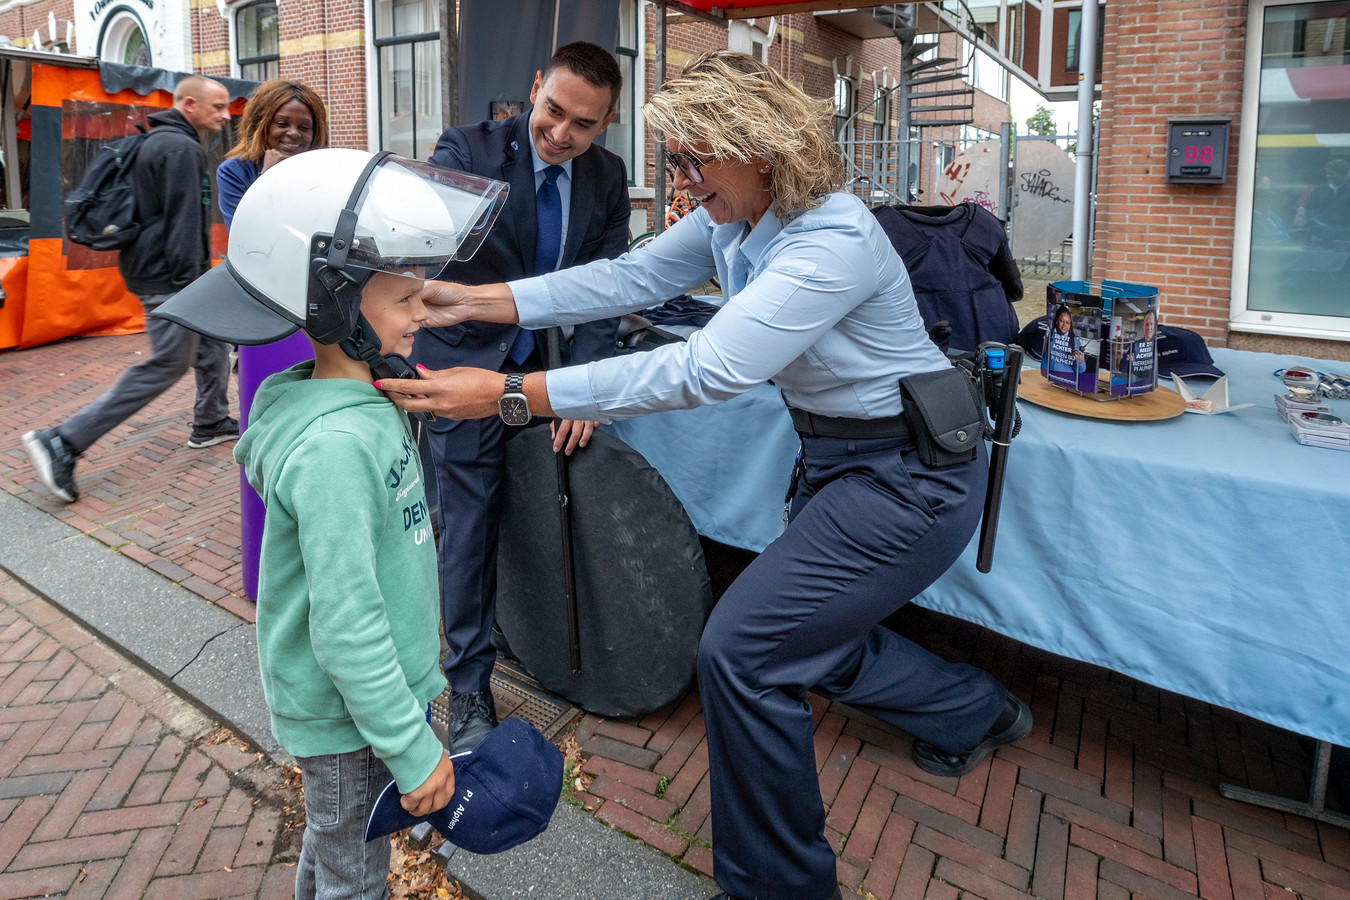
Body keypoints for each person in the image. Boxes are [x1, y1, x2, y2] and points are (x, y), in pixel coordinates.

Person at [379, 51, 1031, 900]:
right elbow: (627, 278)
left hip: (909, 477)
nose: (681, 181)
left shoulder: (830, 237)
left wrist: (509, 394)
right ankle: (980, 711)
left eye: (693, 158)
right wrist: (473, 302)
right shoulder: (732, 218)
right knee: (809, 645)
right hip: (844, 461)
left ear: (756, 150)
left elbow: (708, 369)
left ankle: (779, 887)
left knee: (745, 651)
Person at [148, 148, 511, 898]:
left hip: (364, 710)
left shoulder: (347, 402)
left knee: (332, 843)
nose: (424, 314)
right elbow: (346, 628)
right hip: (354, 724)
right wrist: (413, 750)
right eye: (406, 299)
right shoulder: (338, 448)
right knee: (358, 879)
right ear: (332, 306)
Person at [412, 40, 631, 755]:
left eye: (584, 125)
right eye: (553, 112)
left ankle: (513, 626)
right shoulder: (466, 149)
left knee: (540, 501)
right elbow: (428, 257)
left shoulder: (607, 177)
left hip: (549, 372)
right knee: (468, 523)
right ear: (534, 87)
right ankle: (468, 682)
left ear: (608, 123)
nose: (562, 135)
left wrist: (584, 389)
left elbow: (611, 293)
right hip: (468, 366)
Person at [23, 75, 236, 504]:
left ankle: (211, 420)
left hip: (150, 269)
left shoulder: (151, 141)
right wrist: (188, 289)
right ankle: (63, 440)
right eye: (217, 107)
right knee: (165, 365)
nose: (225, 114)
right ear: (189, 104)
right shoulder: (181, 147)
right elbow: (183, 223)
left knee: (212, 340)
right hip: (170, 280)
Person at [216, 78, 329, 230]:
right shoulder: (233, 172)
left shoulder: (327, 173)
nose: (294, 133)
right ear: (260, 125)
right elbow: (244, 234)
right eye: (282, 124)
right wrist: (268, 178)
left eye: (304, 127)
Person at [1045, 304, 1085, 387]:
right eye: (1061, 321)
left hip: (1068, 382)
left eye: (1067, 323)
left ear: (1070, 325)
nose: (1064, 325)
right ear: (1056, 320)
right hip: (1049, 380)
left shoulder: (1075, 342)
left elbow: (1081, 370)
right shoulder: (1049, 335)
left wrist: (1080, 362)